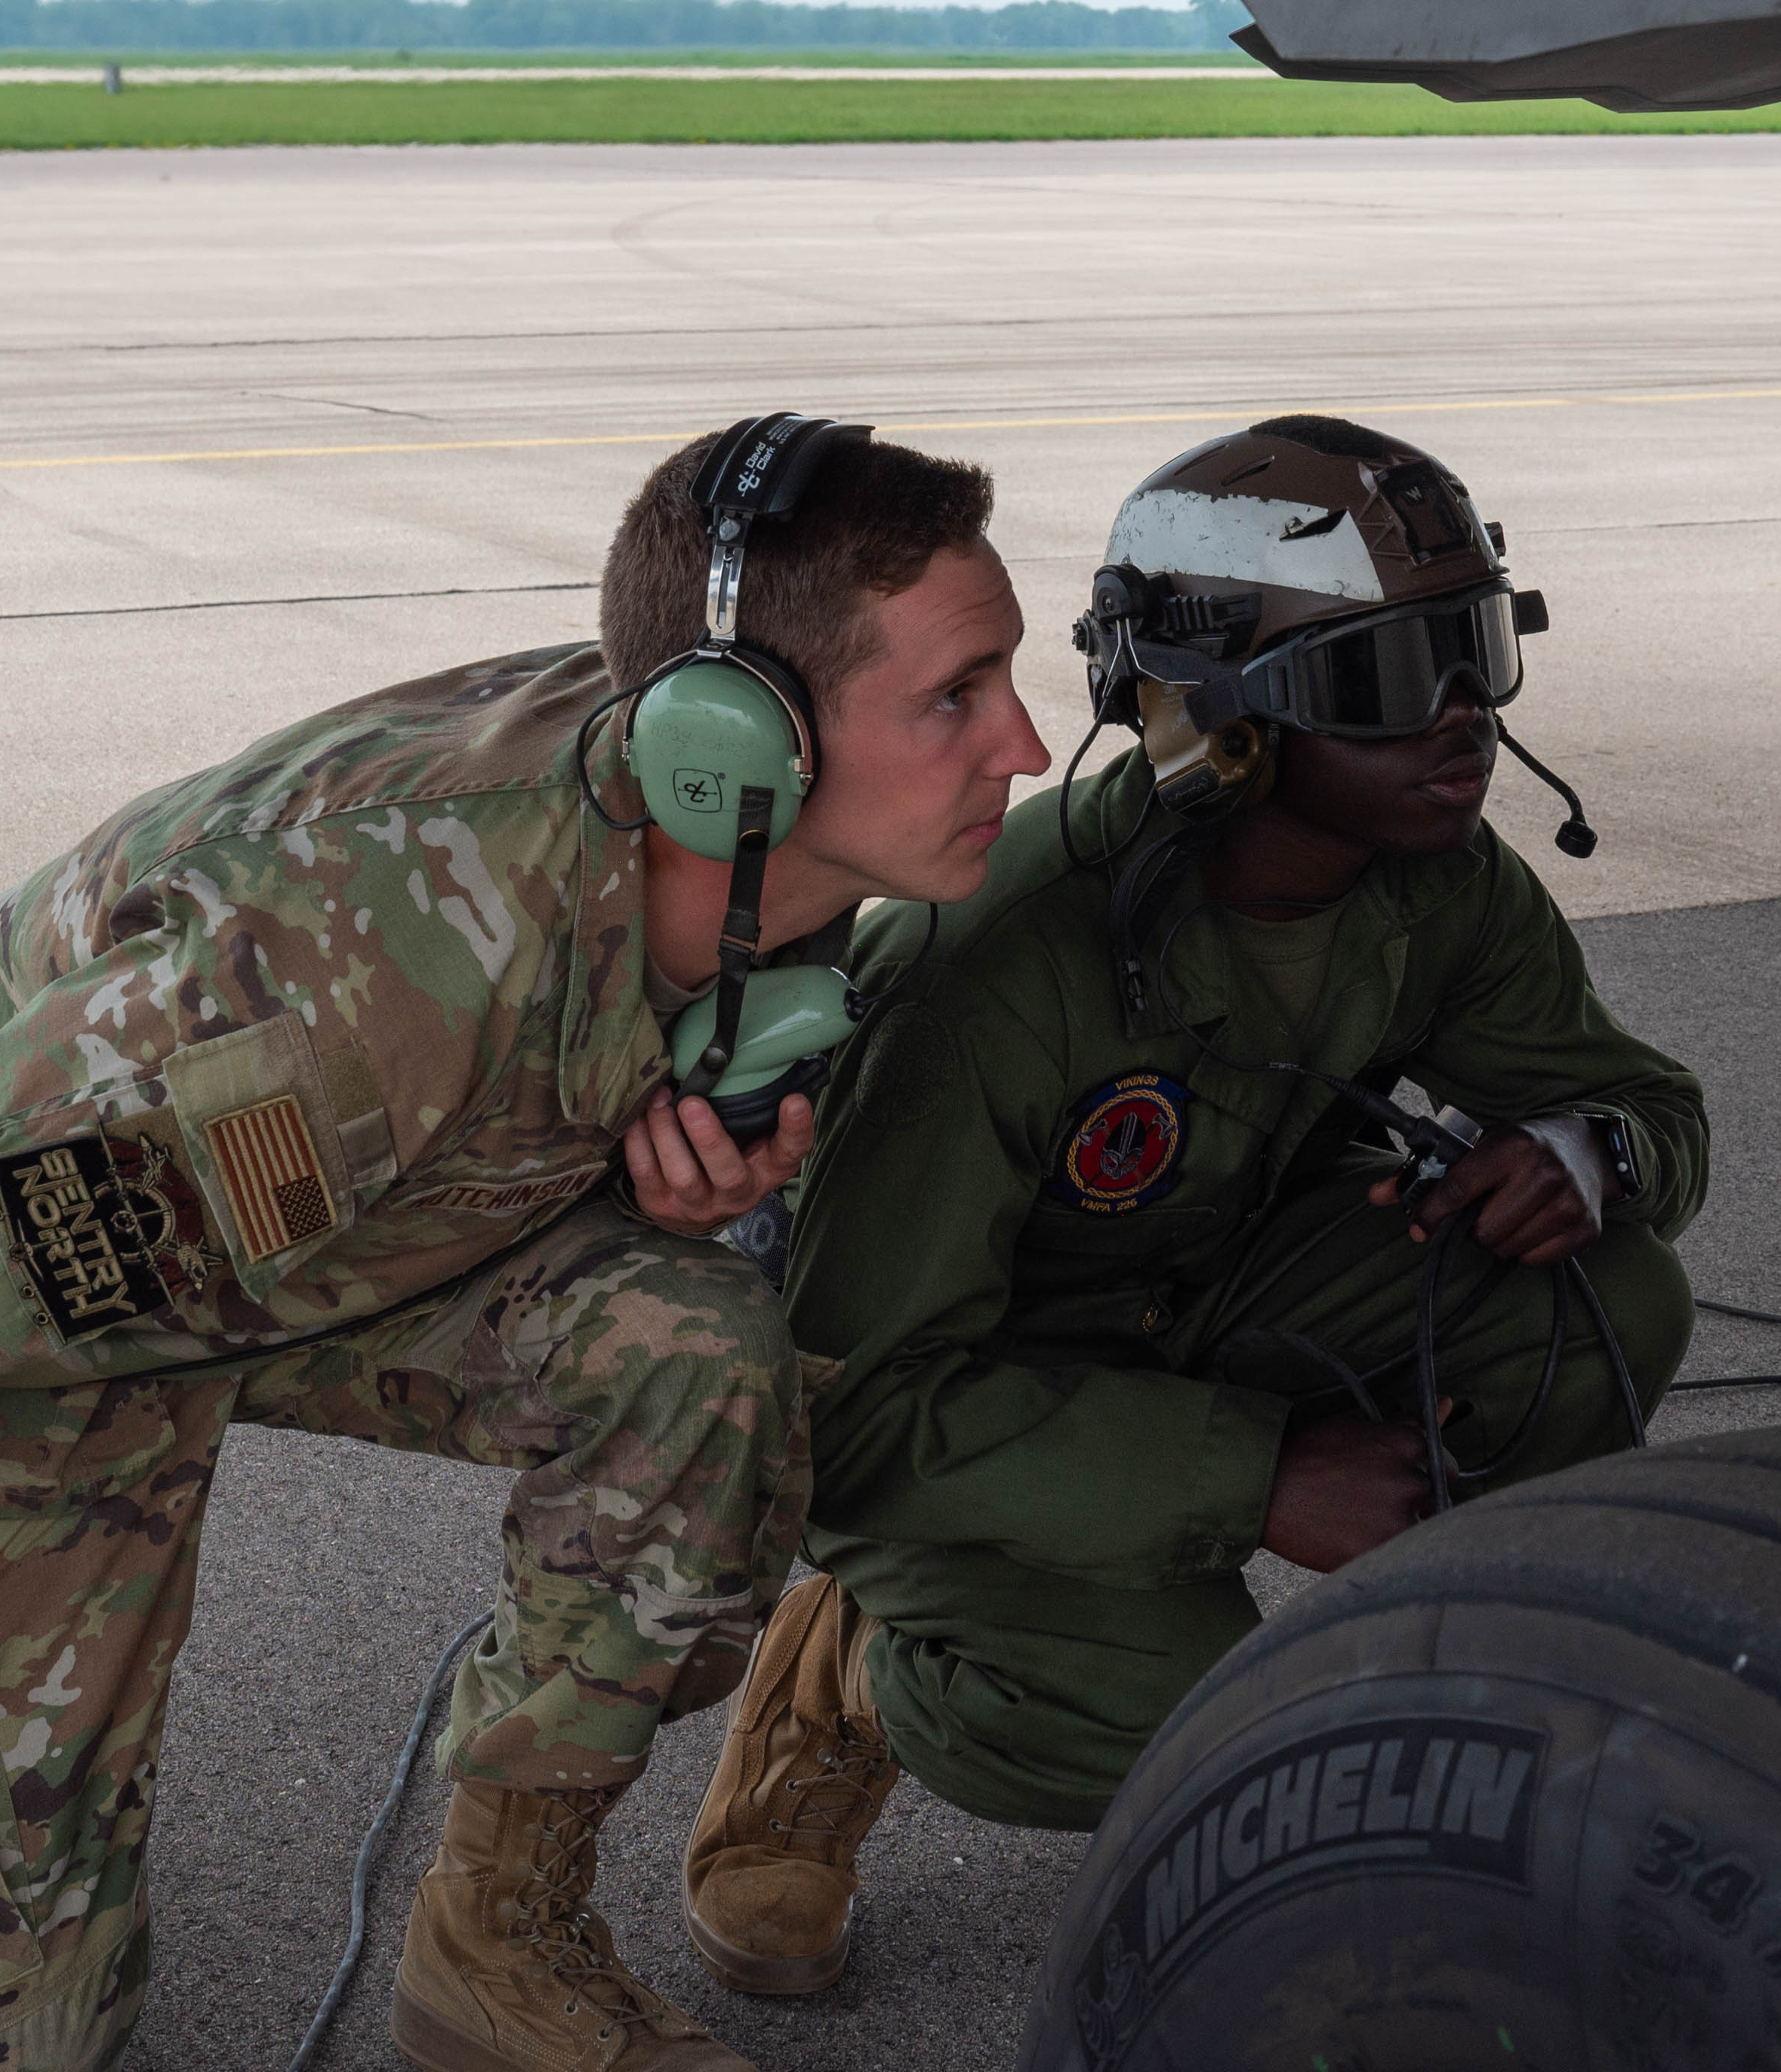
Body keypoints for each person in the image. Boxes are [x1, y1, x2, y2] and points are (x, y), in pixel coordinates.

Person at [0, 416, 1055, 2072]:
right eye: (959, 694)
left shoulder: (751, 840)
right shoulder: (346, 991)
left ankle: (495, 1945)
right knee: (4, 2048)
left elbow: (487, 1116)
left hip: (313, 1223)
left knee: (694, 1361)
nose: (1029, 740)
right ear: (734, 746)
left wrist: (645, 1193)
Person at [677, 415, 1703, 1991]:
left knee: (1603, 1301)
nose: (1456, 724)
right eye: (1380, 676)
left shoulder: (1436, 877)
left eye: (1471, 652)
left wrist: (1588, 1155)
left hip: (1206, 1296)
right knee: (1186, 1714)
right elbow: (850, 1413)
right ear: (1223, 719)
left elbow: (1644, 1104)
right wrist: (1260, 1469)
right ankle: (856, 1674)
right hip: (966, 1392)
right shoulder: (998, 973)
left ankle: (1471, 1724)